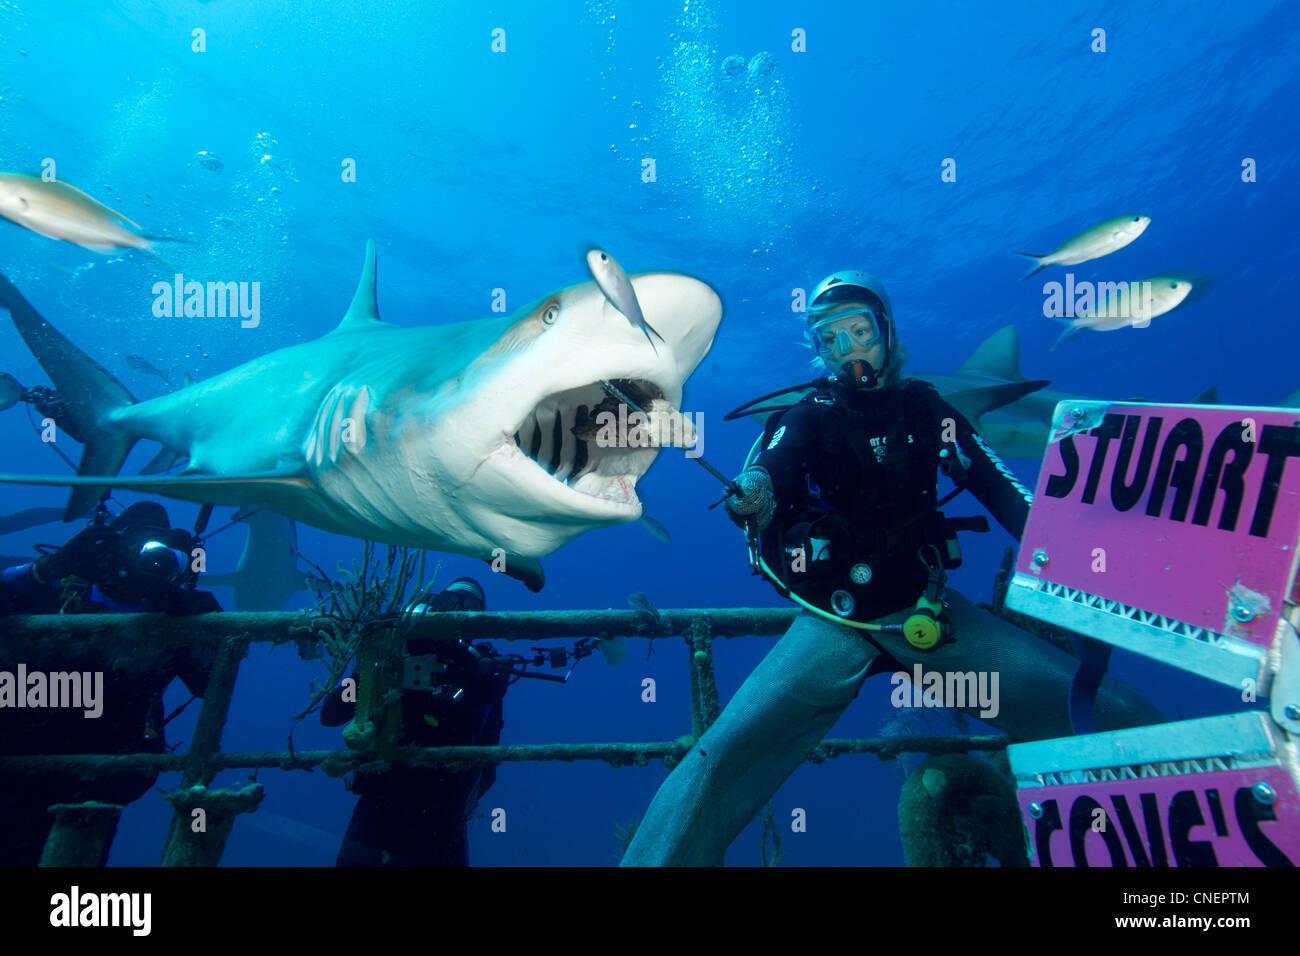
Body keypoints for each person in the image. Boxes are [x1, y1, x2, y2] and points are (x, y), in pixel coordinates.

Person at [621, 270, 1164, 866]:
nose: (849, 349)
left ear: (887, 332)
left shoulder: (929, 409)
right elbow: (774, 463)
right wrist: (755, 489)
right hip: (835, 620)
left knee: (1121, 717)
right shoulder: (810, 413)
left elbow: (1002, 491)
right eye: (831, 338)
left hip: (926, 614)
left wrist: (1081, 557)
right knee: (716, 763)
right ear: (819, 349)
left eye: (860, 331)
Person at [0, 500, 217, 865]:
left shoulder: (170, 616)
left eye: (161, 555)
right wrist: (45, 570)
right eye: (137, 548)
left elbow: (209, 685)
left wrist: (205, 629)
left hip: (101, 779)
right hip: (16, 760)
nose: (149, 561)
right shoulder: (57, 586)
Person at [322, 576, 510, 866]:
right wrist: (368, 672)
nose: (457, 610)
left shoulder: (481, 666)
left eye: (470, 607)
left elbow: (487, 705)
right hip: (381, 799)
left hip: (444, 808)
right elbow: (332, 713)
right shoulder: (394, 655)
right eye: (450, 602)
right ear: (434, 605)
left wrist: (462, 662)